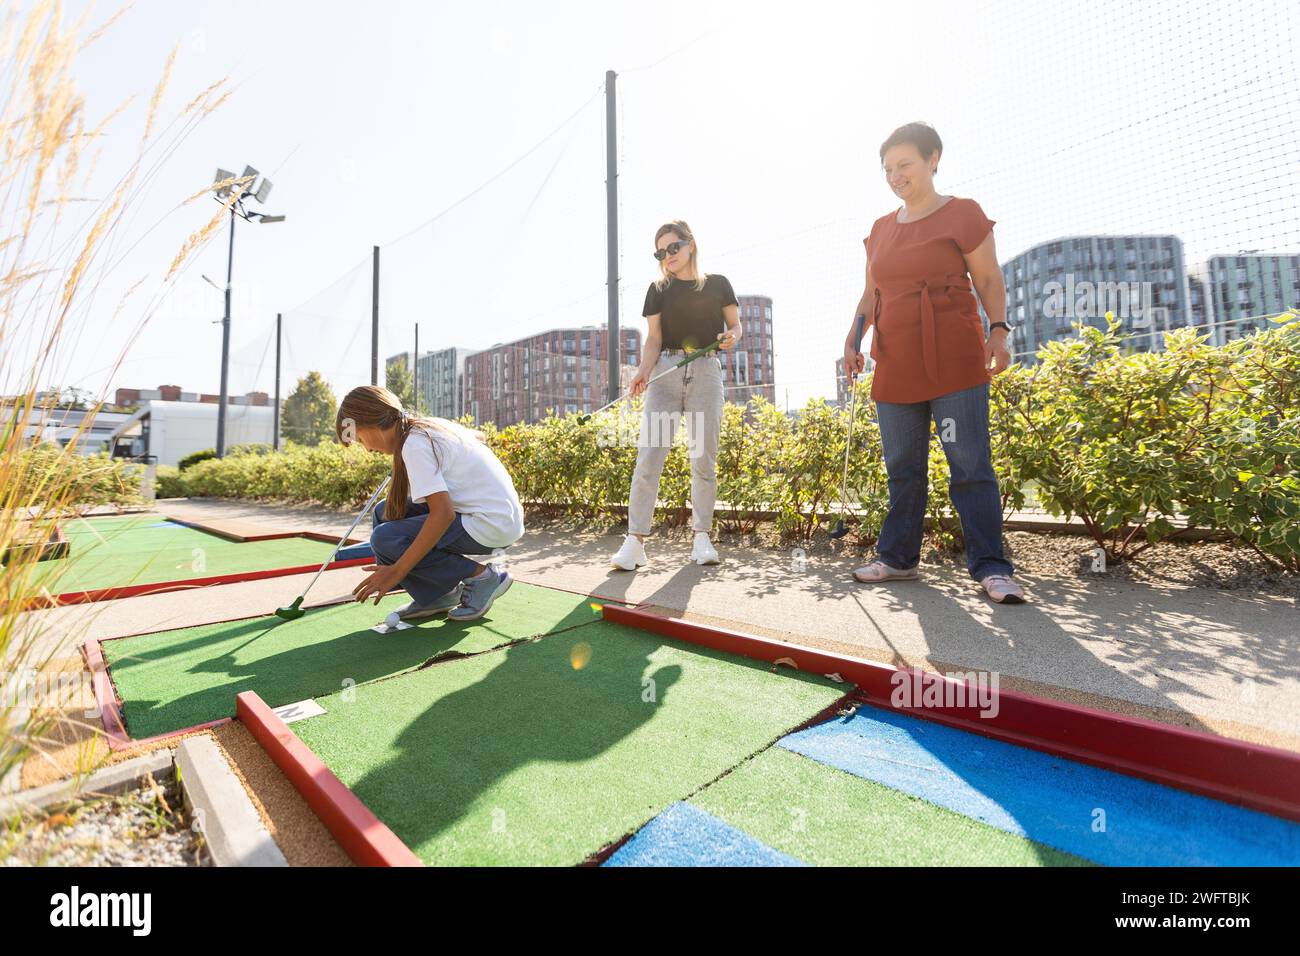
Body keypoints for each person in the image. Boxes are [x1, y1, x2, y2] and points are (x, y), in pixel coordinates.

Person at [844, 122, 1025, 604]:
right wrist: (852, 339)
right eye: (887, 168)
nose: (895, 175)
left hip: (955, 357)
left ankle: (991, 566)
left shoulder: (963, 214)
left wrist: (999, 331)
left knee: (968, 462)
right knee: (902, 465)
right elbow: (870, 293)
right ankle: (899, 558)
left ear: (933, 159)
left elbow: (988, 279)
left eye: (904, 164)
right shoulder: (881, 230)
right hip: (895, 360)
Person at [611, 219, 741, 571]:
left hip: (705, 373)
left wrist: (733, 336)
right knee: (648, 459)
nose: (667, 255)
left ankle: (702, 538)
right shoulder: (658, 289)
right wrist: (642, 372)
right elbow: (654, 337)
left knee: (703, 459)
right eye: (660, 251)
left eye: (673, 247)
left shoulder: (718, 284)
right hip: (665, 376)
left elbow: (736, 325)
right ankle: (635, 542)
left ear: (690, 244)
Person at [336, 385, 524, 622]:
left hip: (491, 524)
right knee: (384, 513)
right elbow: (479, 437)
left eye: (361, 439)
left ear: (371, 423)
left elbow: (443, 515)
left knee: (385, 538)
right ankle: (440, 594)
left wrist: (398, 570)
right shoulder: (424, 426)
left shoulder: (414, 444)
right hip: (499, 516)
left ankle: (483, 577)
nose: (368, 449)